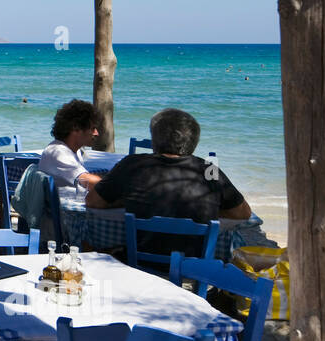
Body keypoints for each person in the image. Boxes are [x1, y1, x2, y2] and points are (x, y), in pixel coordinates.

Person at [86, 107, 252, 257]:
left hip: (142, 260)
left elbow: (93, 201)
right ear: (194, 141)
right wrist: (202, 209)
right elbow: (242, 213)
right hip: (194, 264)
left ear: (154, 140)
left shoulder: (132, 164)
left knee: (87, 246)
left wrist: (126, 201)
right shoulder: (210, 170)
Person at [37, 99, 104, 192]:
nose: (96, 133)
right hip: (60, 201)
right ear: (75, 127)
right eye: (92, 128)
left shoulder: (73, 151)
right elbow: (89, 182)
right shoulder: (59, 152)